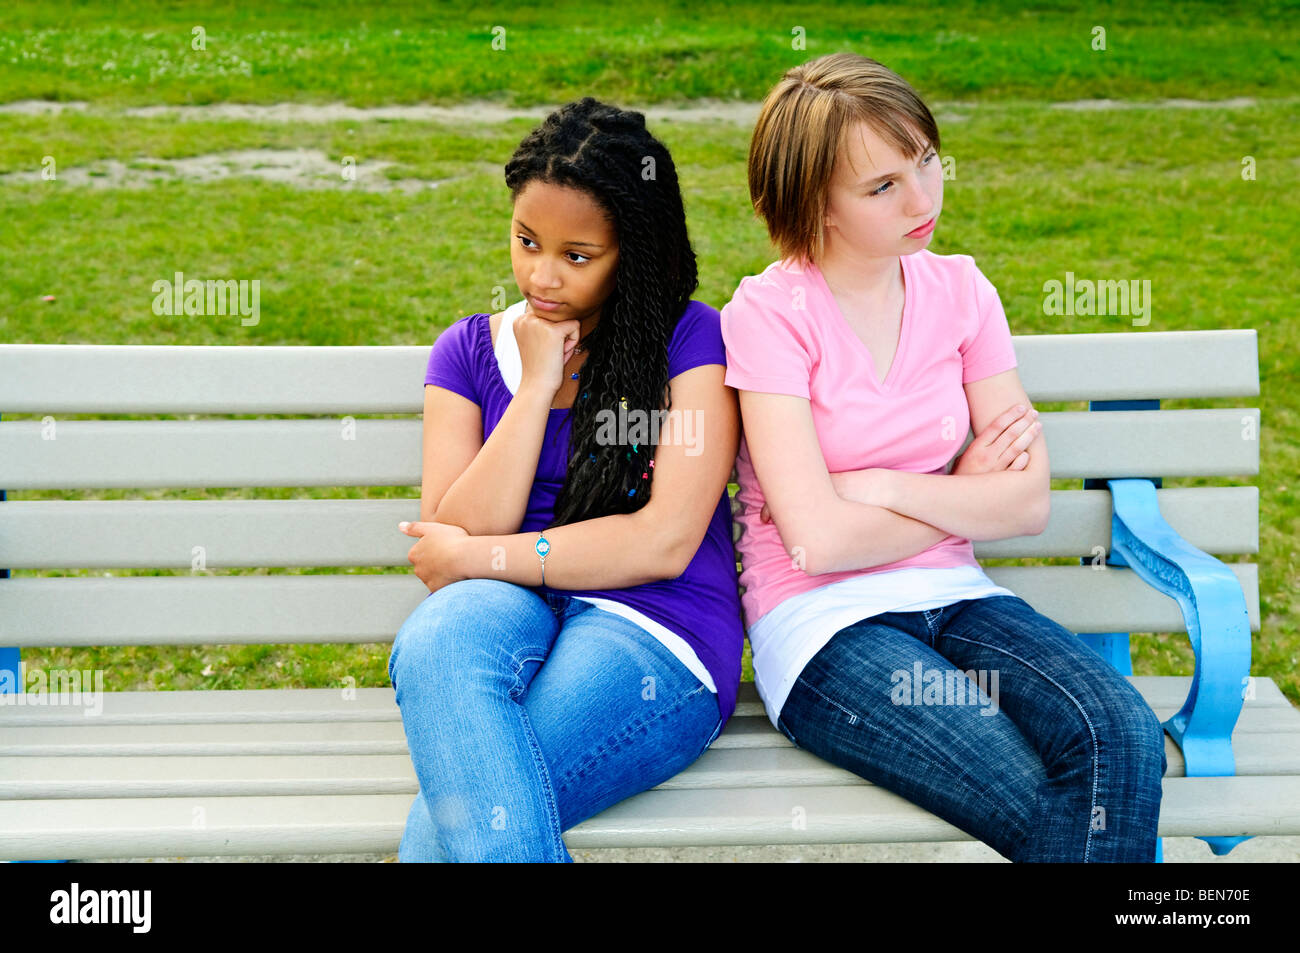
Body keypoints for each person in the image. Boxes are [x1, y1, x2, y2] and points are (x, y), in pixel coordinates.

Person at [719, 53, 1166, 862]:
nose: (923, 198)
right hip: (823, 625)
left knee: (1120, 733)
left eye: (926, 161)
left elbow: (1024, 505)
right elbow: (817, 545)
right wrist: (957, 494)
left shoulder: (962, 292)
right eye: (882, 186)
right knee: (1053, 805)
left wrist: (888, 487)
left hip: (958, 594)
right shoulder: (768, 314)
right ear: (813, 202)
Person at [387, 97, 743, 862]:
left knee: (447, 823)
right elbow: (452, 537)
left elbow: (664, 541)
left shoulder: (690, 341)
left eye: (577, 256)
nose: (541, 276)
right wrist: (535, 387)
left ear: (633, 252)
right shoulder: (465, 354)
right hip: (511, 604)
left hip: (653, 626)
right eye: (526, 242)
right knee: (432, 641)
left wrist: (479, 560)